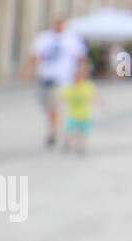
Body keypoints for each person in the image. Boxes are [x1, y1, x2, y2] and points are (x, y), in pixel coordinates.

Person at [24, 17, 87, 149]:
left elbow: (80, 58)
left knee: (61, 108)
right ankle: (53, 131)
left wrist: (80, 75)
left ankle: (65, 135)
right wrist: (28, 70)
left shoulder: (71, 38)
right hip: (45, 77)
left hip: (63, 79)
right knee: (49, 108)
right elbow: (34, 55)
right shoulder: (44, 37)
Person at [58, 56, 102, 155]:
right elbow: (61, 95)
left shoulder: (86, 86)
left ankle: (81, 147)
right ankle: (67, 144)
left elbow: (93, 96)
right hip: (72, 113)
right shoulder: (69, 87)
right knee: (70, 131)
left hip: (84, 114)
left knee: (83, 132)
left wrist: (100, 103)